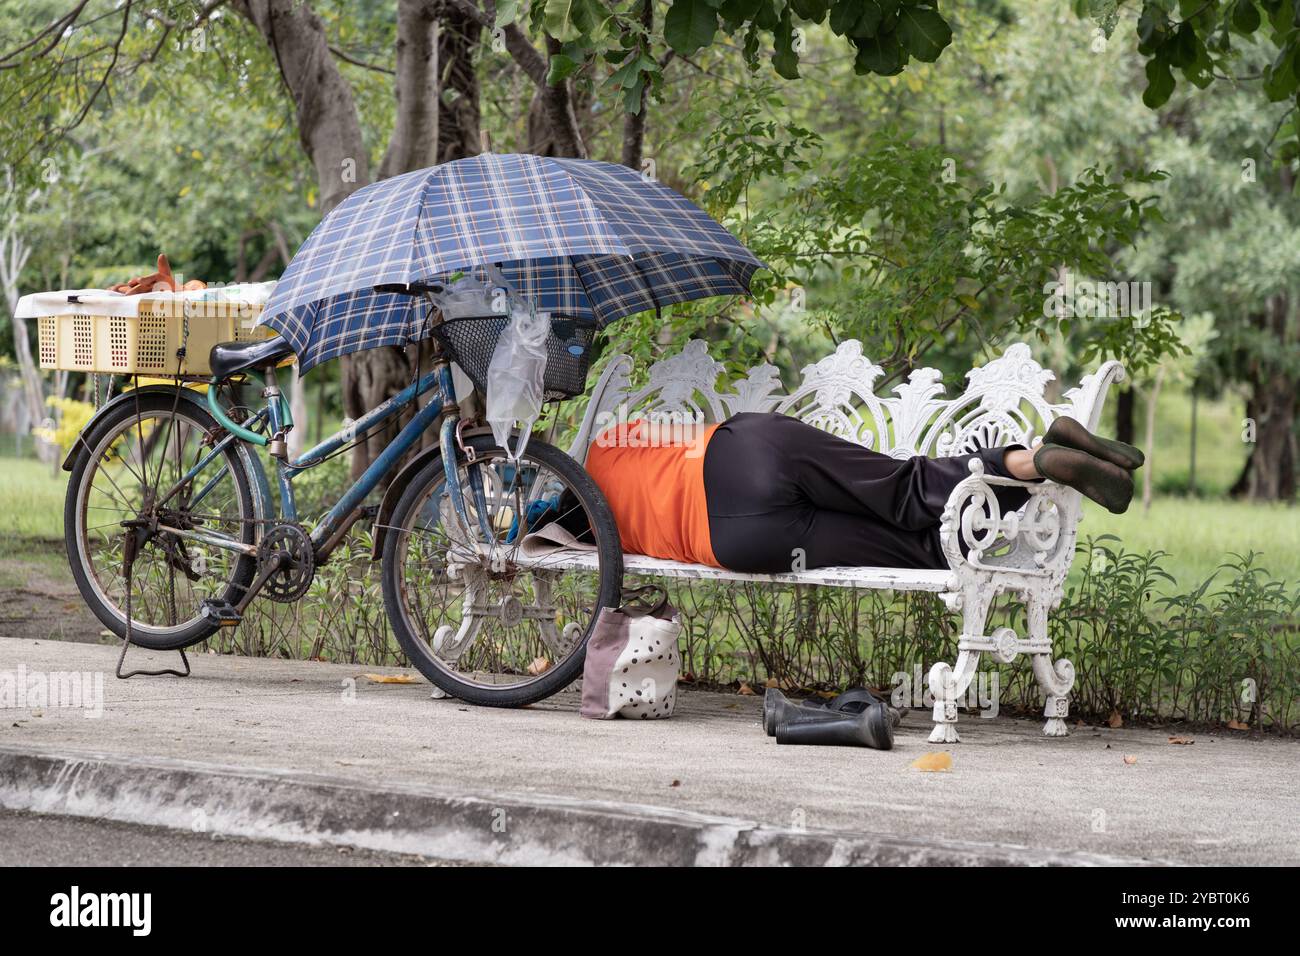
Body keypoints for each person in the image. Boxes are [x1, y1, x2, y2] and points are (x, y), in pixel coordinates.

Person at [583, 412, 1143, 574]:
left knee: (921, 550)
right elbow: (676, 430)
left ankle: (1041, 467)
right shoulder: (610, 441)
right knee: (905, 488)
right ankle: (1029, 461)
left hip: (734, 536)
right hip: (743, 448)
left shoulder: (594, 524)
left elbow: (548, 528)